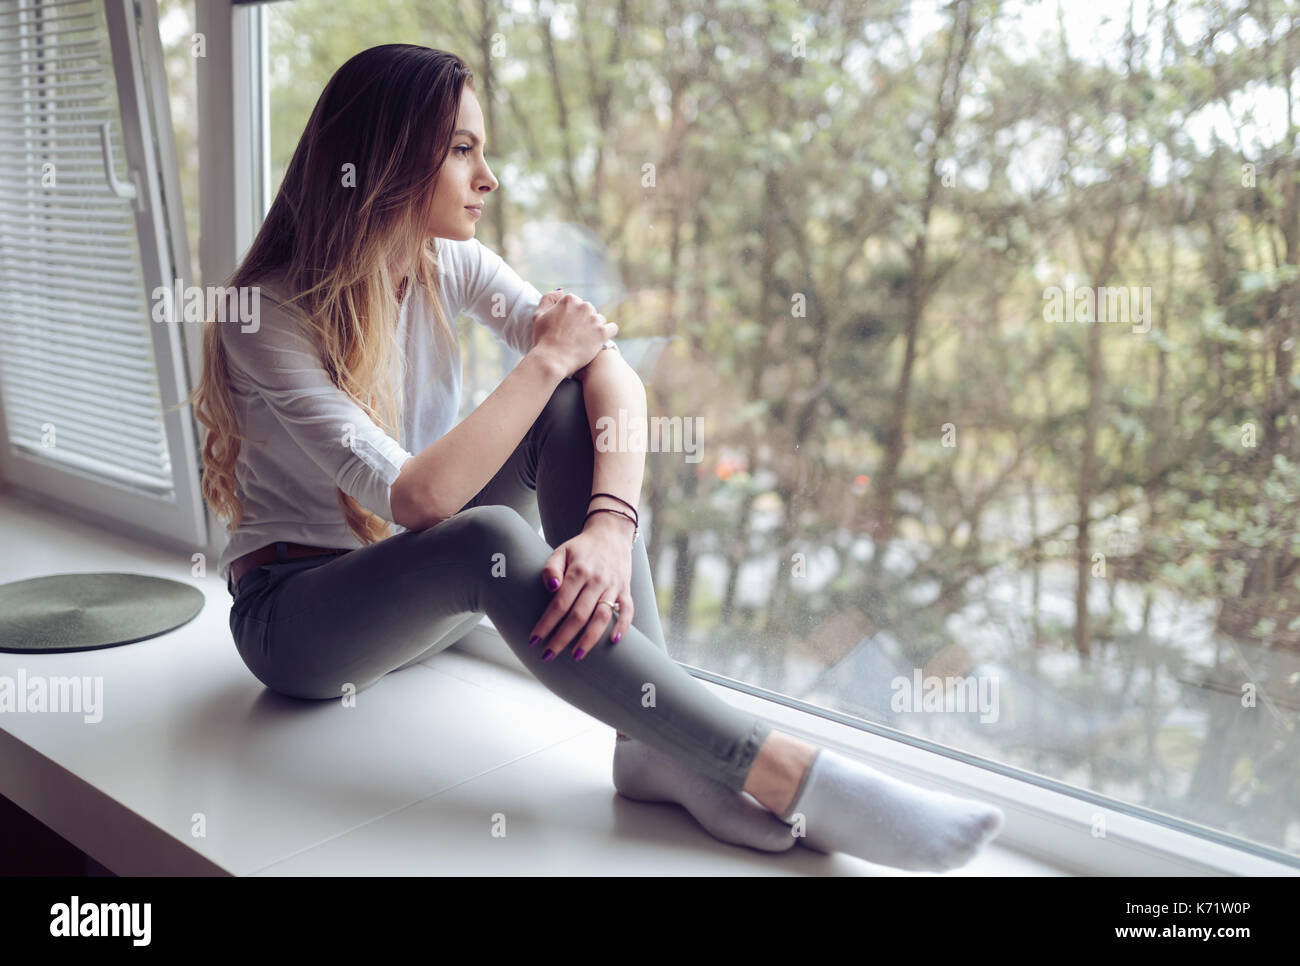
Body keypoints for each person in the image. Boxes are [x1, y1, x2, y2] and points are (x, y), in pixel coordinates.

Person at [184, 44, 1005, 871]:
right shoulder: (267, 313)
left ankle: (648, 745)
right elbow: (421, 500)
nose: (487, 177)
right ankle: (786, 770)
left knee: (574, 408)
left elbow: (610, 373)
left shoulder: (445, 264)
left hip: (407, 594)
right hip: (299, 627)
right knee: (489, 526)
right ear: (388, 160)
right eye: (463, 149)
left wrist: (612, 523)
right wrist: (542, 359)